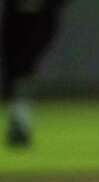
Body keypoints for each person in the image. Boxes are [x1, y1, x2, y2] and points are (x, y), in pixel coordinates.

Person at [1, 0, 67, 147]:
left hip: (42, 16)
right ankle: (18, 121)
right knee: (15, 68)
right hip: (16, 16)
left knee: (25, 66)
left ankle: (20, 122)